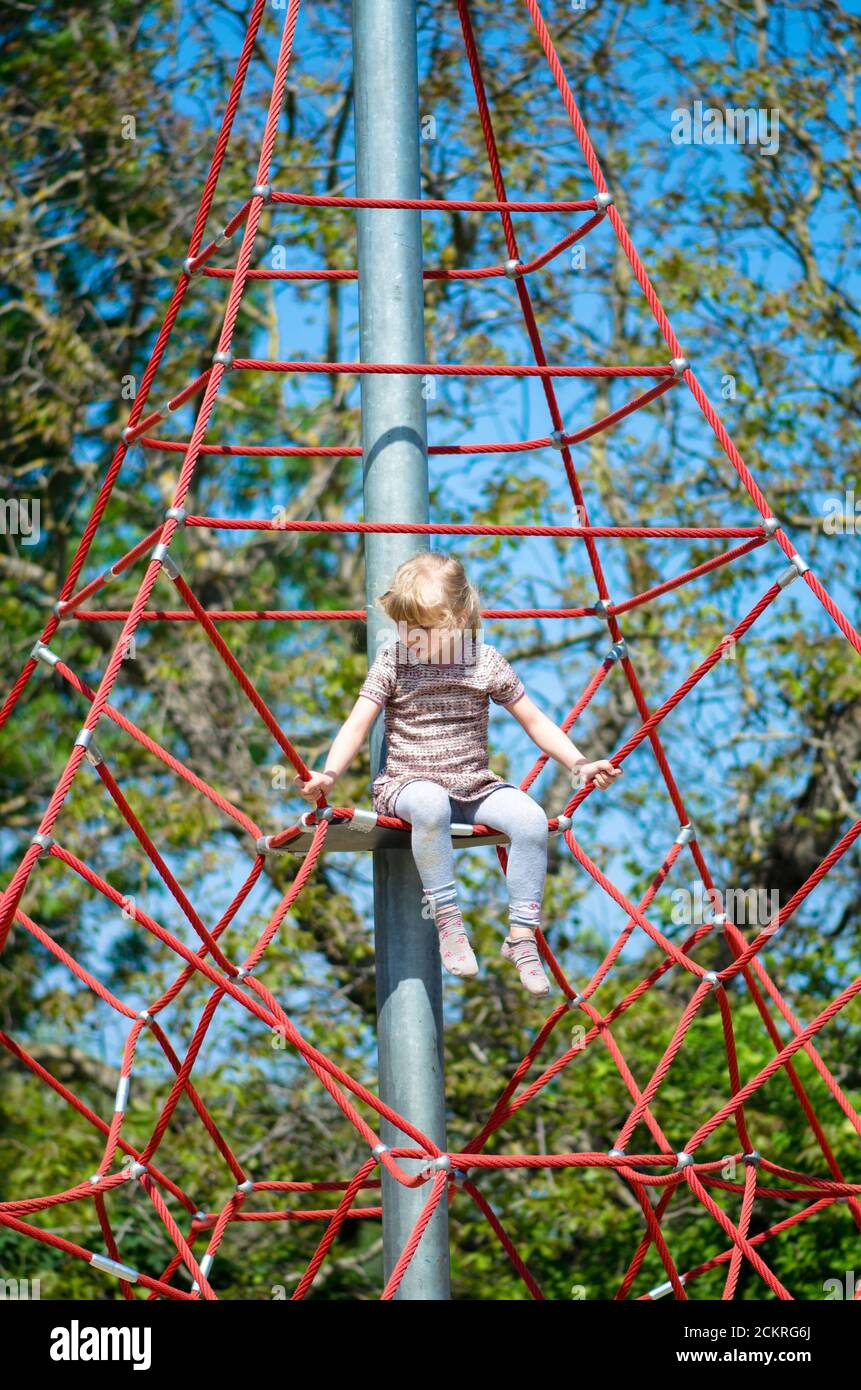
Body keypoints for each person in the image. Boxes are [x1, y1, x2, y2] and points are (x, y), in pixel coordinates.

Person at [294, 552, 621, 997]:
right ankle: (448, 920)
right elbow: (357, 723)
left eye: (424, 629)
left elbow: (536, 722)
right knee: (430, 803)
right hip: (406, 786)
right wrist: (329, 774)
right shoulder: (394, 662)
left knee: (529, 819)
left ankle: (522, 935)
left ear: (459, 617)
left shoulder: (485, 662)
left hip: (472, 785)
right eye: (404, 627)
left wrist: (579, 763)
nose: (412, 638)